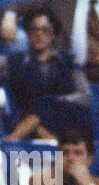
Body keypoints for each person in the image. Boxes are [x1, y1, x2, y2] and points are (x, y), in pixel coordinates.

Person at [0, 8, 89, 143]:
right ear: (28, 33)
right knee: (35, 113)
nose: (39, 35)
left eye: (45, 30)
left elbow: (84, 96)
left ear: (53, 34)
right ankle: (53, 141)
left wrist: (53, 102)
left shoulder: (69, 62)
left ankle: (11, 141)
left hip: (62, 120)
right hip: (24, 119)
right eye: (34, 29)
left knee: (44, 104)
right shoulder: (13, 62)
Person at [28, 128, 99, 185]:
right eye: (65, 153)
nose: (70, 158)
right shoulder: (39, 182)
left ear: (89, 159)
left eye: (77, 153)